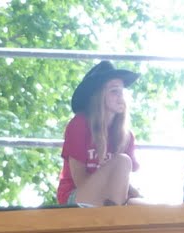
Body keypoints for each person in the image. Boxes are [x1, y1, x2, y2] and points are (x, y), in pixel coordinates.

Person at [58, 60, 142, 206]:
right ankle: (113, 220)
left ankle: (114, 219)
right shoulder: (80, 124)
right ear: (99, 95)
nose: (121, 97)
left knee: (149, 207)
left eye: (122, 91)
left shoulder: (126, 136)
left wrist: (140, 199)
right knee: (123, 161)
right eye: (114, 91)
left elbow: (123, 185)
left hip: (110, 200)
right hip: (75, 198)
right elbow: (80, 181)